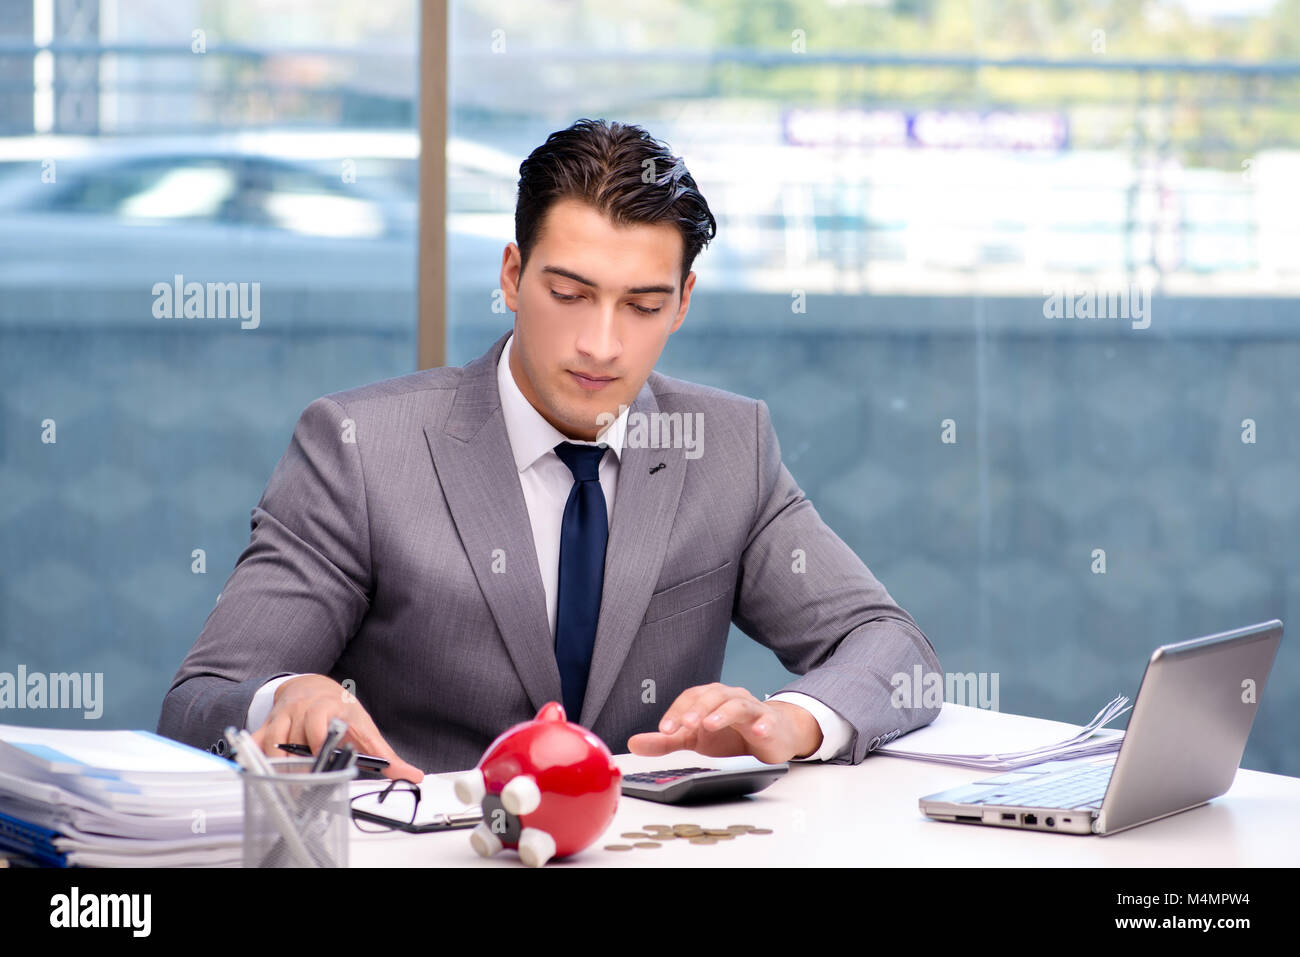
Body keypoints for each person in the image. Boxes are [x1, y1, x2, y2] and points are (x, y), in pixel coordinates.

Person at [157, 118, 942, 780]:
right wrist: (286, 696)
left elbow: (893, 648)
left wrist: (791, 721)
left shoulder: (727, 447)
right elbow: (200, 699)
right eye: (569, 295)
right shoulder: (362, 450)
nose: (600, 343)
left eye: (641, 305)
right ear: (512, 274)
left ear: (683, 304)